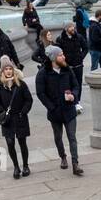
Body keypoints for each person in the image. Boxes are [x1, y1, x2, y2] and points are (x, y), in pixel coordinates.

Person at [35, 45, 83, 176]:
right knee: (58, 137)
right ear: (53, 58)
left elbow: (75, 86)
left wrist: (73, 95)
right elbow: (40, 93)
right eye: (61, 55)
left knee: (72, 137)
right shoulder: (43, 73)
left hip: (69, 110)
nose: (64, 57)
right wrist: (51, 107)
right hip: (55, 112)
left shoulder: (67, 70)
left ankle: (75, 163)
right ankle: (63, 157)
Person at [0, 57, 34, 179]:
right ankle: (16, 167)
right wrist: (2, 111)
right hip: (8, 119)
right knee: (10, 143)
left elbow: (28, 99)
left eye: (10, 68)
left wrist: (23, 112)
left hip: (20, 117)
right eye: (6, 69)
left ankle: (26, 165)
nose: (9, 71)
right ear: (2, 71)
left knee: (22, 142)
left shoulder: (20, 83)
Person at [56, 21, 88, 108]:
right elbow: (58, 53)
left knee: (78, 83)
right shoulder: (60, 39)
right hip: (67, 66)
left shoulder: (79, 37)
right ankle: (71, 101)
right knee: (68, 84)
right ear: (66, 29)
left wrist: (81, 57)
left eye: (73, 26)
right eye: (70, 27)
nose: (73, 28)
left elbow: (86, 48)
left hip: (78, 65)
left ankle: (77, 101)